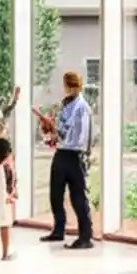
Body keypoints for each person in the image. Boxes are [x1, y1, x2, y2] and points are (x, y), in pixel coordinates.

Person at [39, 71, 94, 249]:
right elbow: (61, 129)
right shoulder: (66, 105)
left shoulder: (82, 107)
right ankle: (58, 230)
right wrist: (51, 129)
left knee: (78, 197)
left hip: (74, 154)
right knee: (55, 194)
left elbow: (79, 135)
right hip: (62, 152)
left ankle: (85, 237)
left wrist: (58, 131)